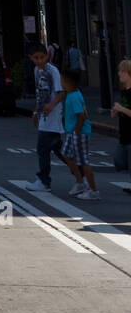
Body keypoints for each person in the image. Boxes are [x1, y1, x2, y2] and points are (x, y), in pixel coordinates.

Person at [24, 42, 65, 193]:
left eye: (42, 57)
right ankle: (80, 173)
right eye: (36, 58)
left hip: (52, 116)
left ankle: (44, 180)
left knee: (42, 149)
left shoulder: (52, 71)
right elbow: (40, 94)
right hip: (44, 116)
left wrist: (51, 105)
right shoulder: (37, 71)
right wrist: (36, 112)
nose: (39, 60)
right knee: (58, 149)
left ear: (47, 56)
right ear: (31, 58)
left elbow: (61, 93)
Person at [60, 68, 98, 199]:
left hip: (79, 132)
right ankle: (80, 182)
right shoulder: (71, 94)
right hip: (72, 131)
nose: (60, 82)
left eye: (61, 80)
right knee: (66, 154)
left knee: (83, 161)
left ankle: (93, 190)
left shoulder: (74, 96)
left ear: (67, 82)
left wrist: (76, 131)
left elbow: (81, 116)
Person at [111, 59, 131, 193]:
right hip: (123, 133)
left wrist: (121, 109)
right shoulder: (124, 92)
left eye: (122, 71)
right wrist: (116, 111)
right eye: (119, 71)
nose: (119, 74)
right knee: (118, 161)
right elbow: (120, 111)